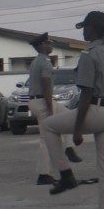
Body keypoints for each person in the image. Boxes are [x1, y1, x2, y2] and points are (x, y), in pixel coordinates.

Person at [41, 11, 104, 209]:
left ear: (94, 29)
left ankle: (65, 174)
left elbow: (86, 93)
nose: (84, 32)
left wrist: (78, 129)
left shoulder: (89, 56)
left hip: (95, 110)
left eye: (86, 28)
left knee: (48, 126)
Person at [26, 33, 80, 186]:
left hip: (37, 100)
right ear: (42, 45)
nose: (51, 46)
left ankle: (69, 147)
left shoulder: (37, 61)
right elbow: (46, 86)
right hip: (42, 101)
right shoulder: (44, 62)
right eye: (48, 43)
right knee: (46, 139)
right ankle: (44, 174)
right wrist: (50, 109)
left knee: (68, 115)